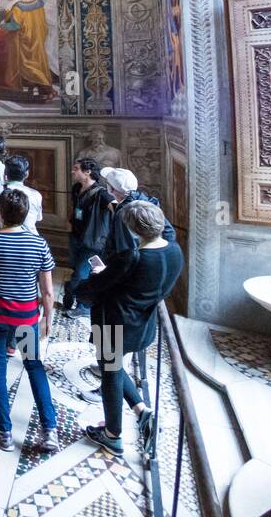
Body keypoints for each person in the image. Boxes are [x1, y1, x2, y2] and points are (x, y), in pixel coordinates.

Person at [73, 202, 184, 456]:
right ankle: (142, 411)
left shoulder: (133, 257)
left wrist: (89, 281)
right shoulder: (175, 251)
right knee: (114, 368)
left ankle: (112, 434)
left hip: (114, 322)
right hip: (143, 323)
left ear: (133, 229)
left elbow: (99, 285)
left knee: (110, 373)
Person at [0, 189, 59, 452]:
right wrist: (47, 319)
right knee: (34, 366)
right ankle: (49, 429)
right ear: (26, 214)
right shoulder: (38, 244)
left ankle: (4, 432)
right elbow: (48, 291)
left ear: (0, 213)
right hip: (26, 317)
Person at [63, 157, 112, 315]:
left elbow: (117, 207)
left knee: (80, 274)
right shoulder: (77, 187)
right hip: (76, 236)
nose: (73, 171)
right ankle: (77, 300)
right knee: (78, 269)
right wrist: (69, 220)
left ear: (88, 172)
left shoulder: (102, 194)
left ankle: (80, 304)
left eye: (76, 169)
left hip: (92, 241)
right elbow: (75, 206)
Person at [100, 167, 176, 258]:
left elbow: (126, 250)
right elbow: (169, 231)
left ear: (111, 189)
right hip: (156, 258)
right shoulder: (148, 203)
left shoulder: (124, 213)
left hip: (136, 266)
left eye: (107, 183)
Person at [2, 154, 44, 235]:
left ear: (5, 173)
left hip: (0, 239)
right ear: (26, 173)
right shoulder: (35, 195)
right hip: (30, 239)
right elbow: (38, 218)